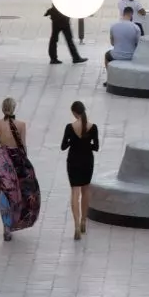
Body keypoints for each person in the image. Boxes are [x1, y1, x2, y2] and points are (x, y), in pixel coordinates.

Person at [0, 97, 41, 241]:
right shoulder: (21, 125)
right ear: (14, 108)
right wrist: (25, 162)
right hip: (17, 158)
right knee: (19, 190)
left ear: (2, 108)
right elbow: (23, 145)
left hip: (2, 160)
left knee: (4, 192)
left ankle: (6, 226)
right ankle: (15, 220)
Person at [60, 100, 99, 240]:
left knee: (75, 192)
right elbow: (96, 147)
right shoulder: (93, 127)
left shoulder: (69, 127)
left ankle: (76, 225)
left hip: (74, 161)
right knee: (86, 190)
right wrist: (86, 143)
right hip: (87, 161)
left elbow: (63, 146)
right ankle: (84, 221)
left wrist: (73, 141)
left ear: (75, 113)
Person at [104, 5, 141, 70]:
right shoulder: (136, 27)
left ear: (123, 14)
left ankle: (109, 76)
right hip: (131, 56)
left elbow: (112, 44)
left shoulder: (114, 26)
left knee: (107, 55)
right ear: (131, 14)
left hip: (116, 55)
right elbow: (138, 44)